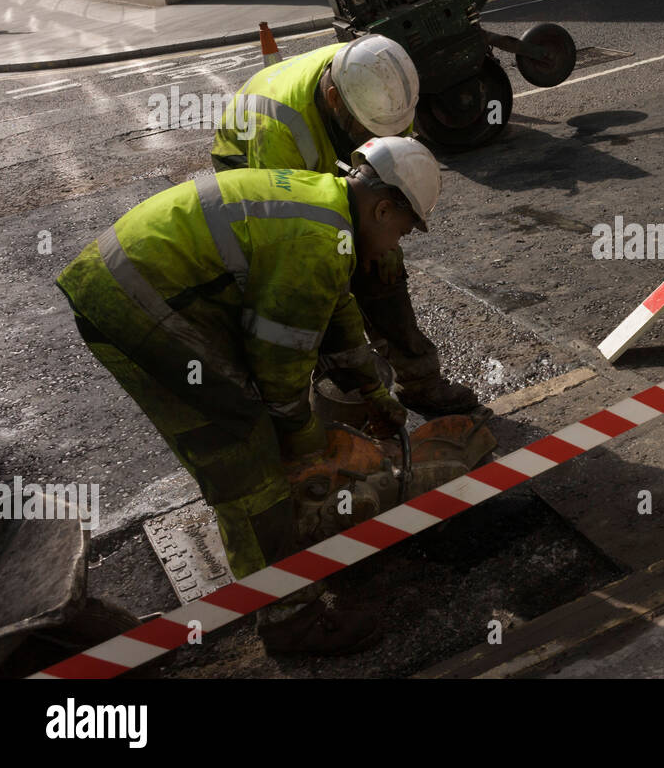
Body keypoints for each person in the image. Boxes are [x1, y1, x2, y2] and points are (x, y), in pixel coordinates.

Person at [56, 137, 440, 654]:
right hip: (137, 304)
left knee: (255, 432)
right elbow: (280, 375)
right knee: (247, 458)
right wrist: (303, 440)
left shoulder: (327, 205)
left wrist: (372, 391)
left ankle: (277, 554)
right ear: (382, 207)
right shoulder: (317, 242)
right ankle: (290, 620)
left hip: (137, 283)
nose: (396, 245)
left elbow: (335, 312)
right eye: (402, 231)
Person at [212, 34, 479, 418]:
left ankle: (419, 382)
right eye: (367, 130)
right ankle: (325, 396)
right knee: (311, 278)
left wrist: (376, 246)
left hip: (324, 151)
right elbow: (293, 239)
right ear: (335, 98)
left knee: (381, 262)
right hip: (255, 168)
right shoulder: (276, 128)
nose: (377, 140)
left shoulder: (379, 88)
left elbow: (384, 205)